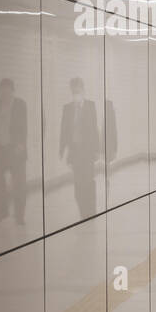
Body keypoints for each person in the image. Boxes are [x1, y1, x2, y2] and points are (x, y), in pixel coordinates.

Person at [59, 76, 100, 218]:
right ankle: (83, 211)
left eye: (78, 91)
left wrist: (97, 150)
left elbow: (95, 129)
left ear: (83, 90)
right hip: (75, 152)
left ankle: (91, 210)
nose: (76, 94)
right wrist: (62, 149)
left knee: (88, 181)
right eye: (73, 91)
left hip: (88, 152)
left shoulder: (90, 106)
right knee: (78, 183)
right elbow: (64, 130)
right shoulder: (67, 108)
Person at [0, 77, 28, 224]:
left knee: (19, 183)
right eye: (1, 91)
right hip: (0, 148)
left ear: (12, 91)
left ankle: (19, 215)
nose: (4, 94)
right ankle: (2, 212)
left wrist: (21, 144)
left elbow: (23, 126)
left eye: (7, 91)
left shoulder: (20, 104)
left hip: (15, 149)